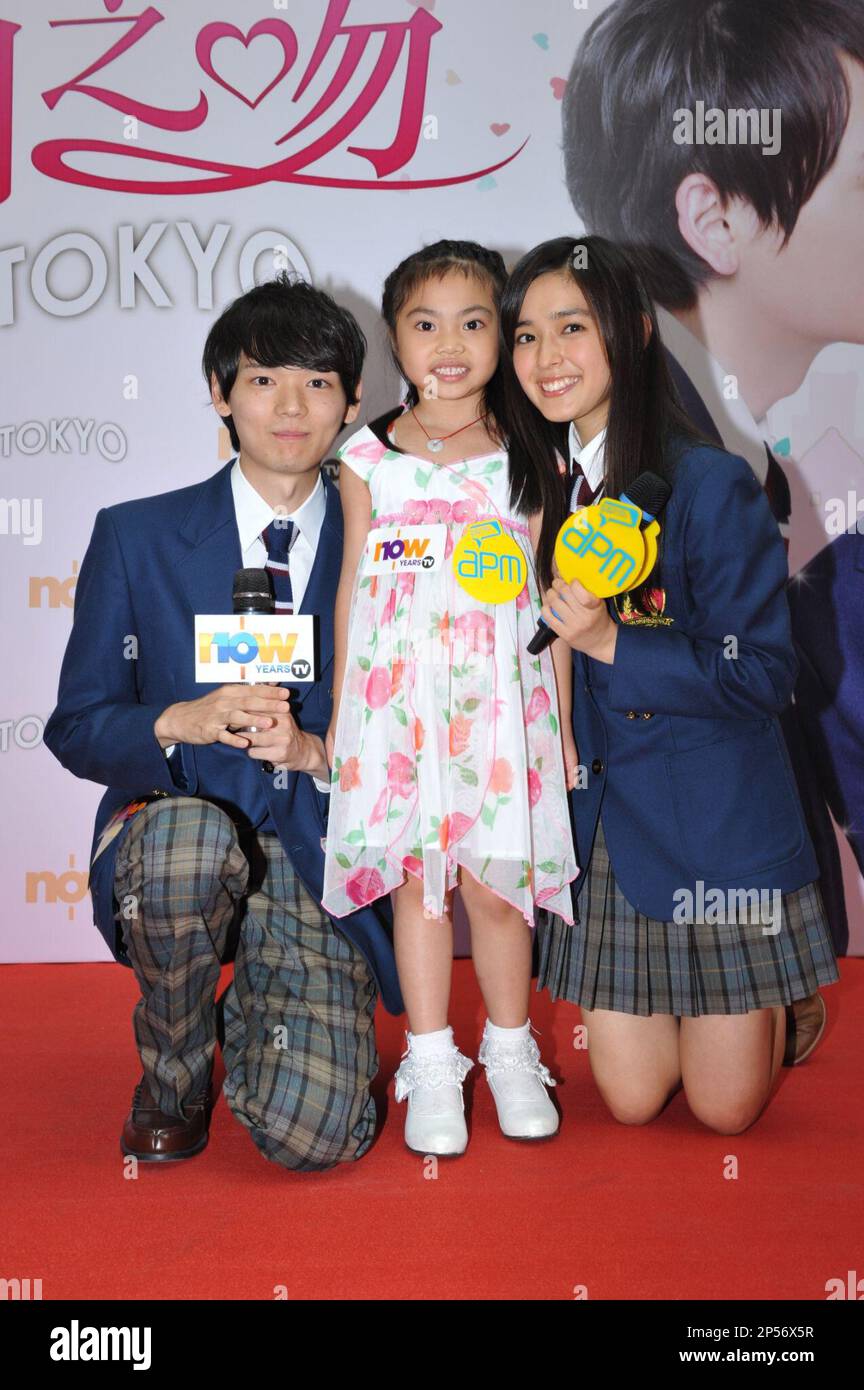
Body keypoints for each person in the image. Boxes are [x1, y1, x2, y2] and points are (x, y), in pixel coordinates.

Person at [44, 275, 401, 1170]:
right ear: (220, 393)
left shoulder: (389, 541)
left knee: (316, 1141)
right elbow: (78, 723)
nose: (290, 406)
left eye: (318, 383)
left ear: (353, 402)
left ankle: (264, 1007)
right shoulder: (137, 536)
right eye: (262, 379)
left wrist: (322, 754)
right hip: (175, 834)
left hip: (317, 847)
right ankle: (174, 1075)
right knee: (189, 849)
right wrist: (179, 719)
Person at [560, 0, 864, 1043]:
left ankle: (775, 973)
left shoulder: (747, 432)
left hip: (717, 776)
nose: (555, 353)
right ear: (711, 216)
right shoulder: (639, 385)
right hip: (636, 799)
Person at [501, 234, 839, 1134]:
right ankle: (739, 1006)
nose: (546, 358)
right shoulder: (536, 492)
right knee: (634, 1100)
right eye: (526, 336)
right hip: (613, 825)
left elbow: (765, 672)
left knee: (728, 1114)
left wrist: (614, 641)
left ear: (635, 331)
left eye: (571, 327)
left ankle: (782, 1000)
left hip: (715, 827)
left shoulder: (708, 484)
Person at [321, 240, 579, 1157]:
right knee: (420, 891)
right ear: (394, 339)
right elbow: (353, 579)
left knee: (498, 889)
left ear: (501, 337)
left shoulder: (528, 448)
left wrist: (564, 724)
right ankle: (432, 1063)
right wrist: (347, 716)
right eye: (425, 324)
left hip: (502, 705)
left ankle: (509, 1052)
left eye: (474, 323)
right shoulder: (364, 455)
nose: (450, 344)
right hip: (399, 709)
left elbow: (557, 604)